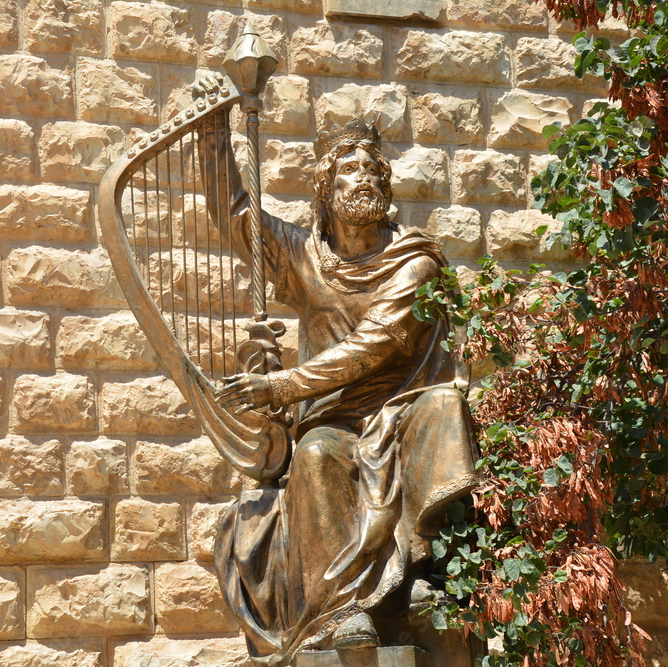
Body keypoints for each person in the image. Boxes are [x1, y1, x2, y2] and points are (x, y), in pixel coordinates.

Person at [194, 74, 480, 667]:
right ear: (326, 189)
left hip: (403, 413)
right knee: (319, 451)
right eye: (350, 169)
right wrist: (214, 137)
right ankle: (343, 610)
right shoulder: (305, 256)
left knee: (444, 407)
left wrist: (280, 385)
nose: (366, 177)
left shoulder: (413, 261)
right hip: (335, 424)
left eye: (374, 170)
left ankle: (422, 573)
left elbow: (374, 346)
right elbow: (236, 216)